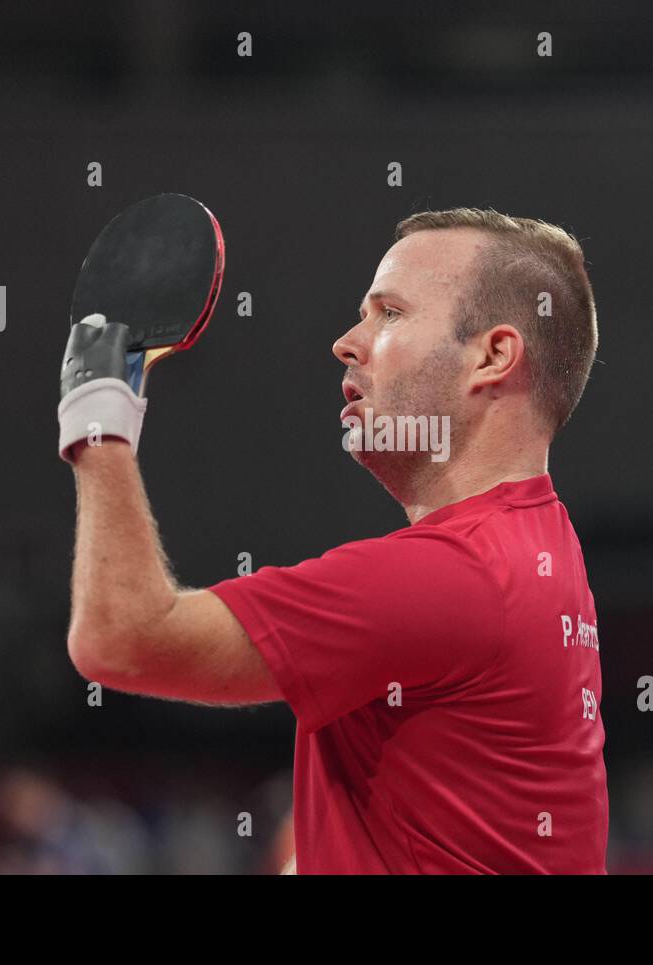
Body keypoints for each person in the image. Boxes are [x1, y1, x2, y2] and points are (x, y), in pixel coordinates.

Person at [58, 207, 607, 874]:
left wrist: (97, 413)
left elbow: (121, 635)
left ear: (492, 355)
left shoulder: (451, 576)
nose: (347, 342)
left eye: (390, 313)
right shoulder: (543, 543)